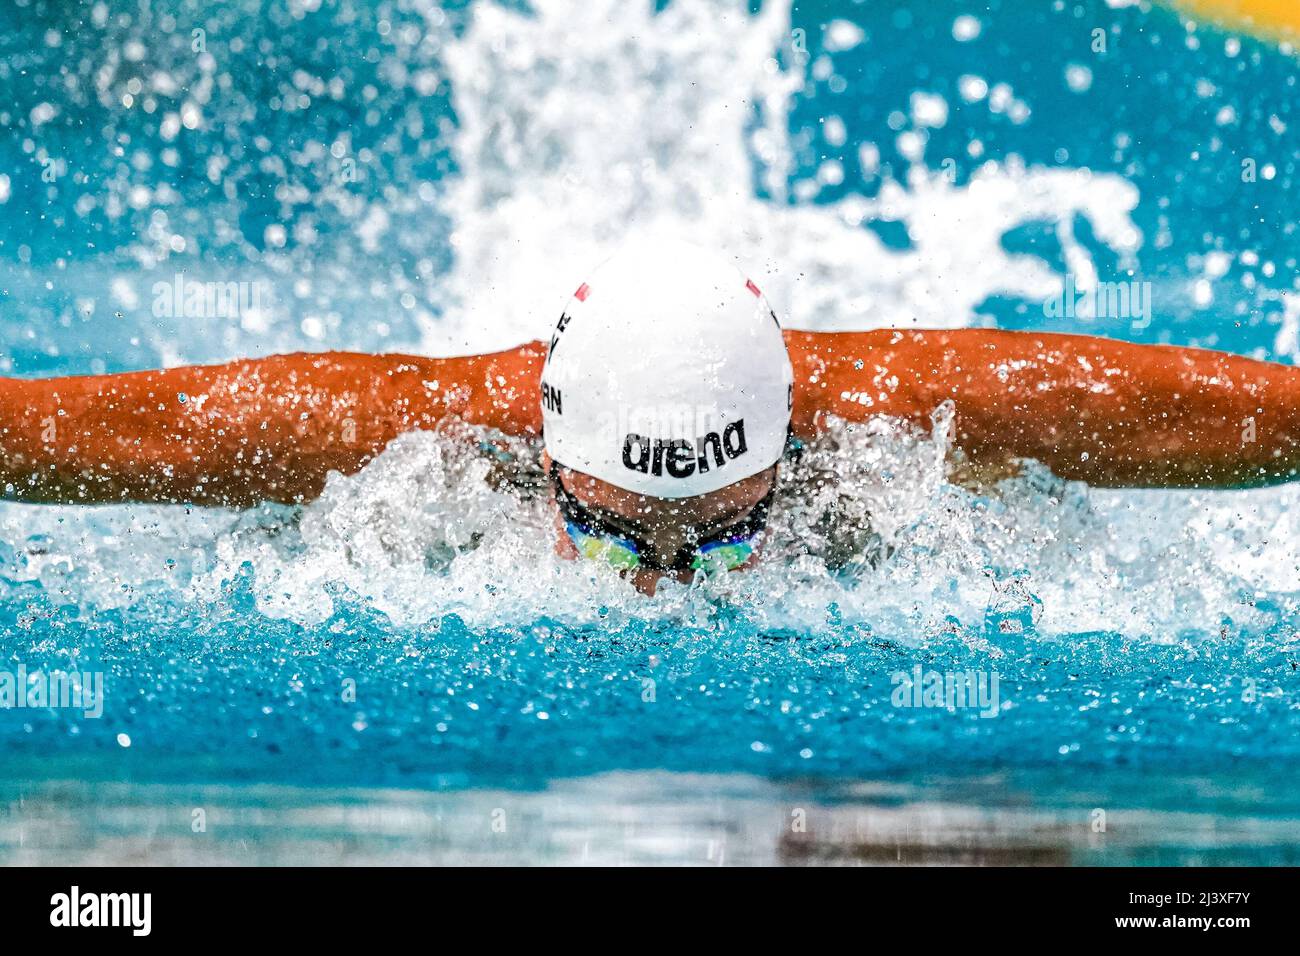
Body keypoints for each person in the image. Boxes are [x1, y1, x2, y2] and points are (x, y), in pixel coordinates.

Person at [2, 239, 1298, 594]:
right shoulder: (400, 434)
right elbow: (68, 434)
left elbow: (1259, 417)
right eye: (616, 533)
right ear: (549, 458)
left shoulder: (930, 415)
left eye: (724, 536)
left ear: (789, 451)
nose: (660, 582)